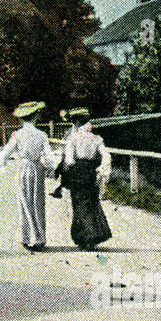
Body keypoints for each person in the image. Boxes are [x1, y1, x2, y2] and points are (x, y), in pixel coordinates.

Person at [0, 101, 57, 252]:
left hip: (24, 169)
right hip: (37, 170)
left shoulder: (18, 135)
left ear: (22, 119)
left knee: (25, 203)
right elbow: (47, 156)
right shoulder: (41, 135)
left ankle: (26, 238)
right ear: (35, 117)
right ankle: (39, 238)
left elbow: (7, 152)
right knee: (38, 203)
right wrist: (51, 170)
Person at [56, 107, 112, 250]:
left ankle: (84, 237)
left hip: (77, 172)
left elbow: (69, 160)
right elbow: (106, 156)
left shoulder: (72, 138)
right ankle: (91, 237)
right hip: (90, 172)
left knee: (78, 203)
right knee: (91, 202)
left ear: (75, 122)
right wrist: (100, 169)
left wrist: (65, 173)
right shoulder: (96, 139)